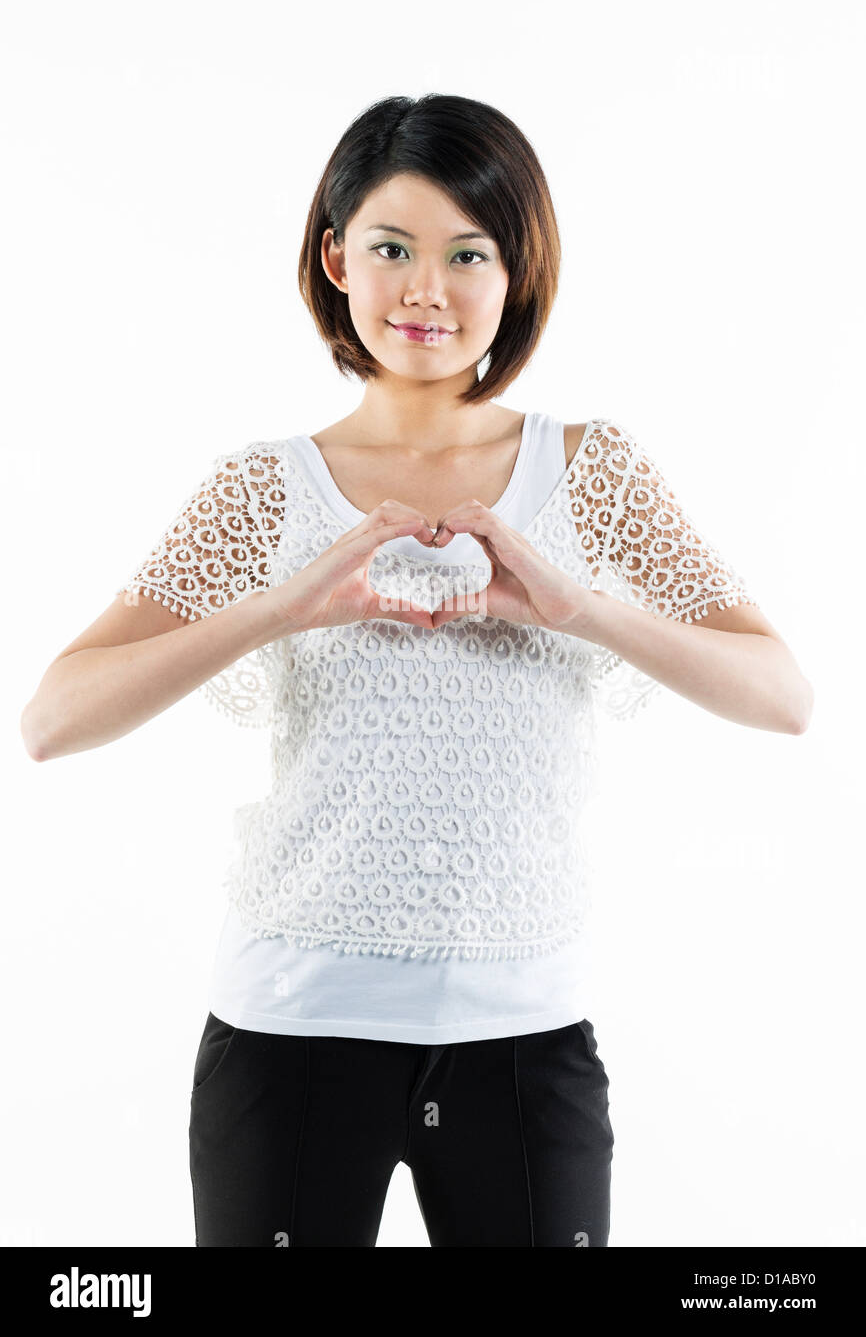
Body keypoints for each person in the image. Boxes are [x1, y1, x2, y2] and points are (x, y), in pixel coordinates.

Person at [21, 93, 813, 1248]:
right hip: (291, 1028)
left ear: (514, 269)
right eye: (390, 247)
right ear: (336, 256)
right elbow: (50, 719)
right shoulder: (262, 486)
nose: (424, 289)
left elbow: (783, 694)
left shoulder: (589, 471)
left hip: (524, 1036)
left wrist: (576, 605)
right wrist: (279, 606)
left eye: (465, 252)